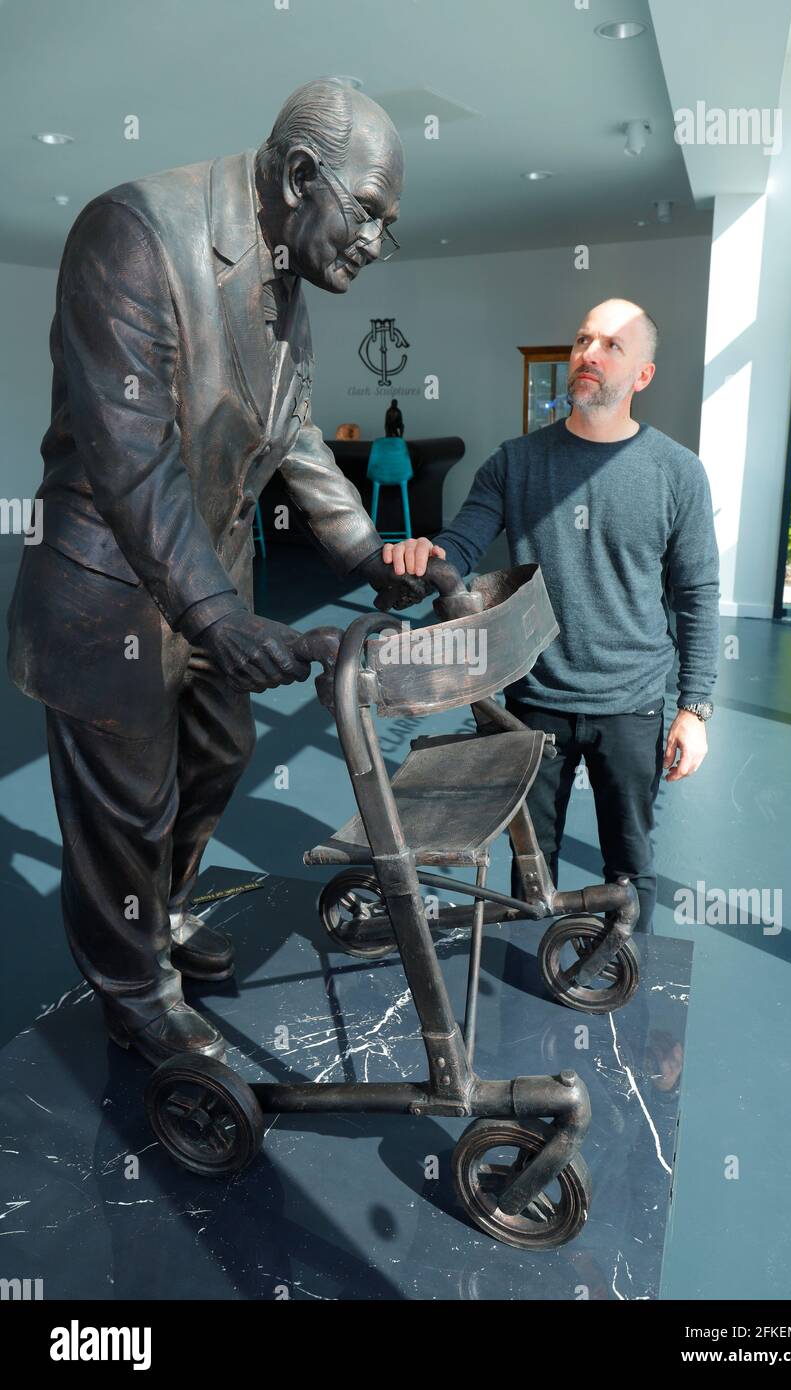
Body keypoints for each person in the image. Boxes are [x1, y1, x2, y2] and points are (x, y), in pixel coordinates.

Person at [6, 79, 427, 1067]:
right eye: (367, 212)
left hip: (206, 589)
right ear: (296, 174)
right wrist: (214, 614)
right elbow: (131, 457)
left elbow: (291, 434)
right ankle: (135, 992)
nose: (372, 241)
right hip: (107, 589)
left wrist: (366, 553)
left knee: (220, 757)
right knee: (128, 808)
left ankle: (167, 910)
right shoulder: (134, 233)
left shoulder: (286, 283)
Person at [378, 299, 720, 933]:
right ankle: (533, 969)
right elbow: (462, 542)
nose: (590, 353)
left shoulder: (678, 474)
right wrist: (428, 553)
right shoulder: (515, 463)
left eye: (612, 345)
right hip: (532, 697)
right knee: (532, 861)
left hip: (631, 702)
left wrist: (693, 708)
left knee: (631, 861)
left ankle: (624, 963)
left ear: (641, 376)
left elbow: (698, 595)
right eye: (583, 339)